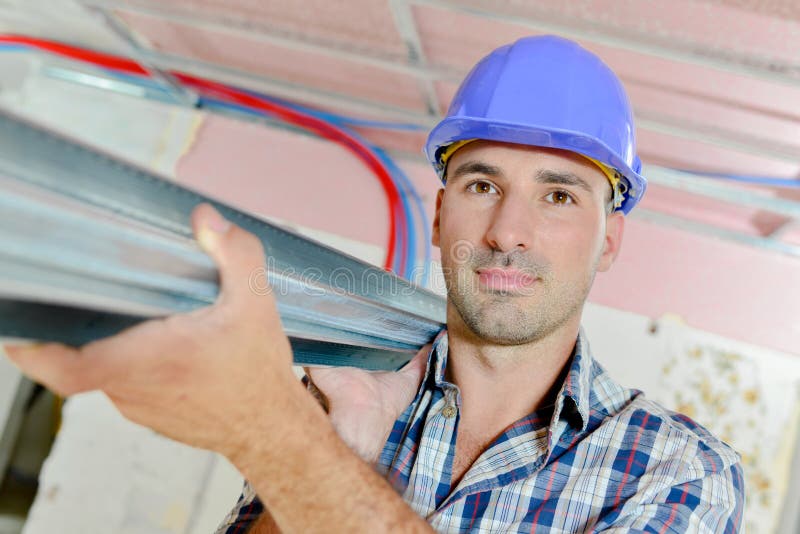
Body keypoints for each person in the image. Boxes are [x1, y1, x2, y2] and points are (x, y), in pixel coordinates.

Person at [4, 35, 744, 533]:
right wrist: (339, 445)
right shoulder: (348, 393)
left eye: (558, 196)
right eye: (483, 185)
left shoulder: (677, 473)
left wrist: (271, 435)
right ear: (441, 214)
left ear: (608, 238)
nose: (509, 231)